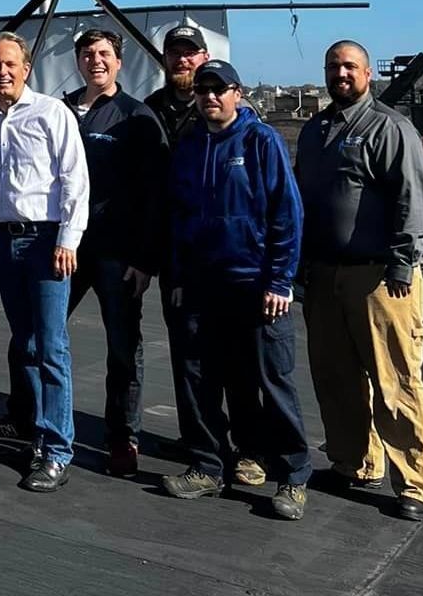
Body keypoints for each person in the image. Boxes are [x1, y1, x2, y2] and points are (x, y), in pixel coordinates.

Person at [160, 60, 312, 521]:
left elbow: (287, 213)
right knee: (197, 378)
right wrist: (180, 276)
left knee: (273, 378)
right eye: (203, 89)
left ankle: (293, 476)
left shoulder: (260, 141)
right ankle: (207, 464)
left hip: (255, 283)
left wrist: (280, 279)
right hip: (203, 284)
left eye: (219, 89)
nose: (210, 96)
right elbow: (177, 217)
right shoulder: (189, 146)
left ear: (237, 93)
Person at [296, 40, 423, 522]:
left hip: (381, 277)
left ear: (369, 72)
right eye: (333, 66)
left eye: (350, 66)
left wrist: (403, 264)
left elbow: (412, 203)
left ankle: (416, 483)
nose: (341, 74)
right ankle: (353, 463)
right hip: (325, 276)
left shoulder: (390, 127)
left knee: (395, 381)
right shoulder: (314, 131)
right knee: (335, 379)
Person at [0, 31, 87, 492]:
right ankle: (37, 431)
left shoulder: (52, 113)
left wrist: (68, 239)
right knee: (25, 342)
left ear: (26, 67)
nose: (3, 71)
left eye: (11, 63)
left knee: (52, 346)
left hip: (46, 240)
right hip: (4, 239)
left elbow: (75, 181)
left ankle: (57, 450)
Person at [143, 22, 264, 487]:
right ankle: (203, 444)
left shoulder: (234, 116)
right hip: (180, 256)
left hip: (231, 260)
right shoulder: (150, 111)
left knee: (239, 361)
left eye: (190, 54)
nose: (182, 61)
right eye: (175, 53)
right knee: (189, 359)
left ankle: (250, 449)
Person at [61, 28, 167, 478]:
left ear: (118, 62)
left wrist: (145, 259)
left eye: (104, 53)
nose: (95, 61)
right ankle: (28, 416)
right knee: (39, 336)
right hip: (64, 247)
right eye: (87, 53)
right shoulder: (60, 109)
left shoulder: (135, 117)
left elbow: (154, 192)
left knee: (123, 347)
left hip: (116, 251)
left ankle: (123, 435)